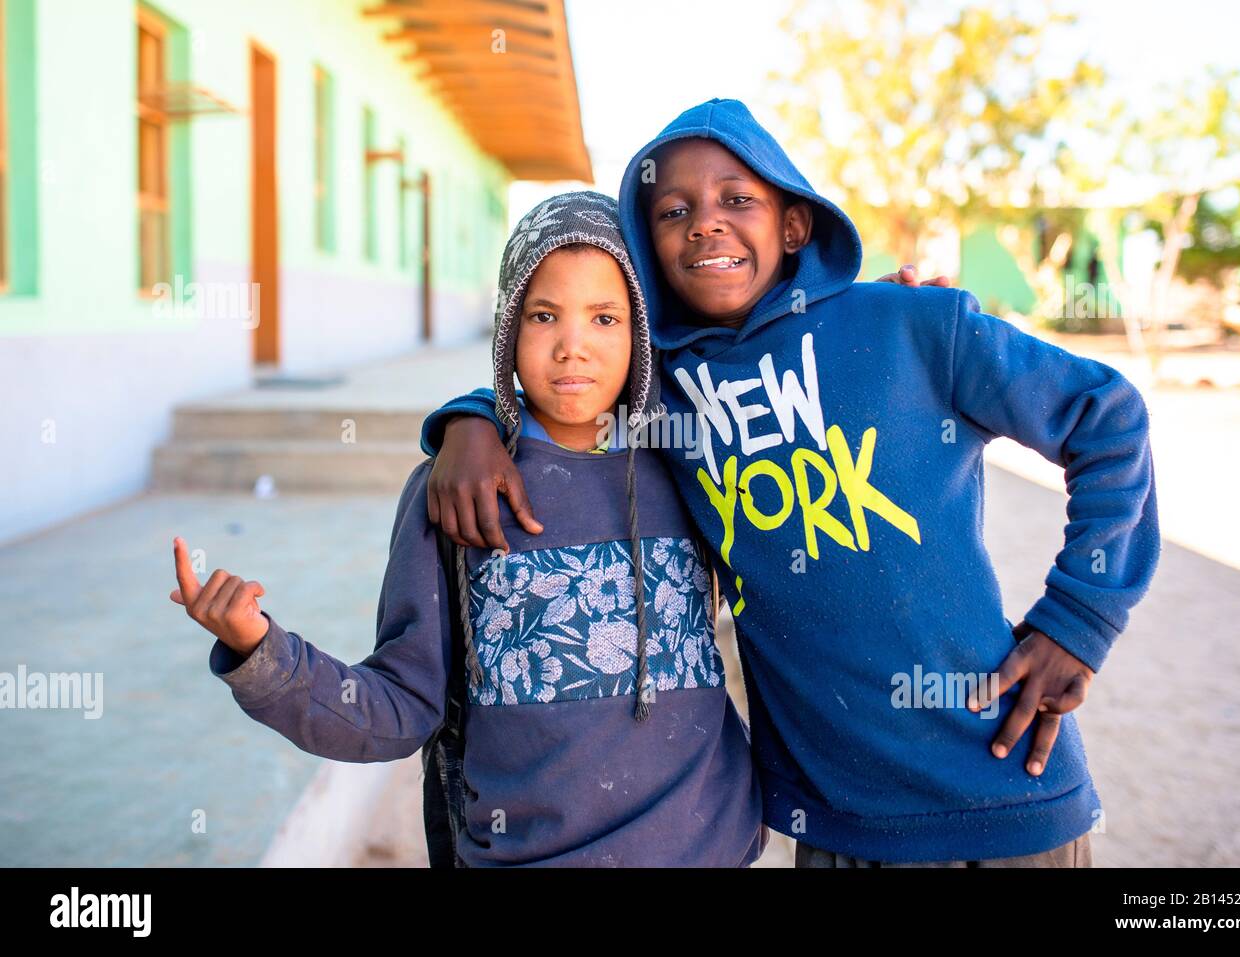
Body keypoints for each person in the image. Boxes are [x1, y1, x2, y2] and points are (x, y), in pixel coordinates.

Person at [416, 99, 1160, 866]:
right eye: (673, 211)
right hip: (833, 822)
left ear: (795, 225)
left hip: (1005, 793)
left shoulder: (914, 323)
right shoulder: (664, 386)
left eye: (738, 199)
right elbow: (567, 376)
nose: (707, 222)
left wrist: (1080, 617)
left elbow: (1107, 418)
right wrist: (469, 421)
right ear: (647, 249)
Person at [171, 190, 766, 867]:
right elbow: (400, 704)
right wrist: (262, 651)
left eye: (606, 317)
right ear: (508, 329)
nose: (574, 346)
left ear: (643, 328)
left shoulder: (696, 461)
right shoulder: (453, 494)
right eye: (545, 315)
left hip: (711, 849)